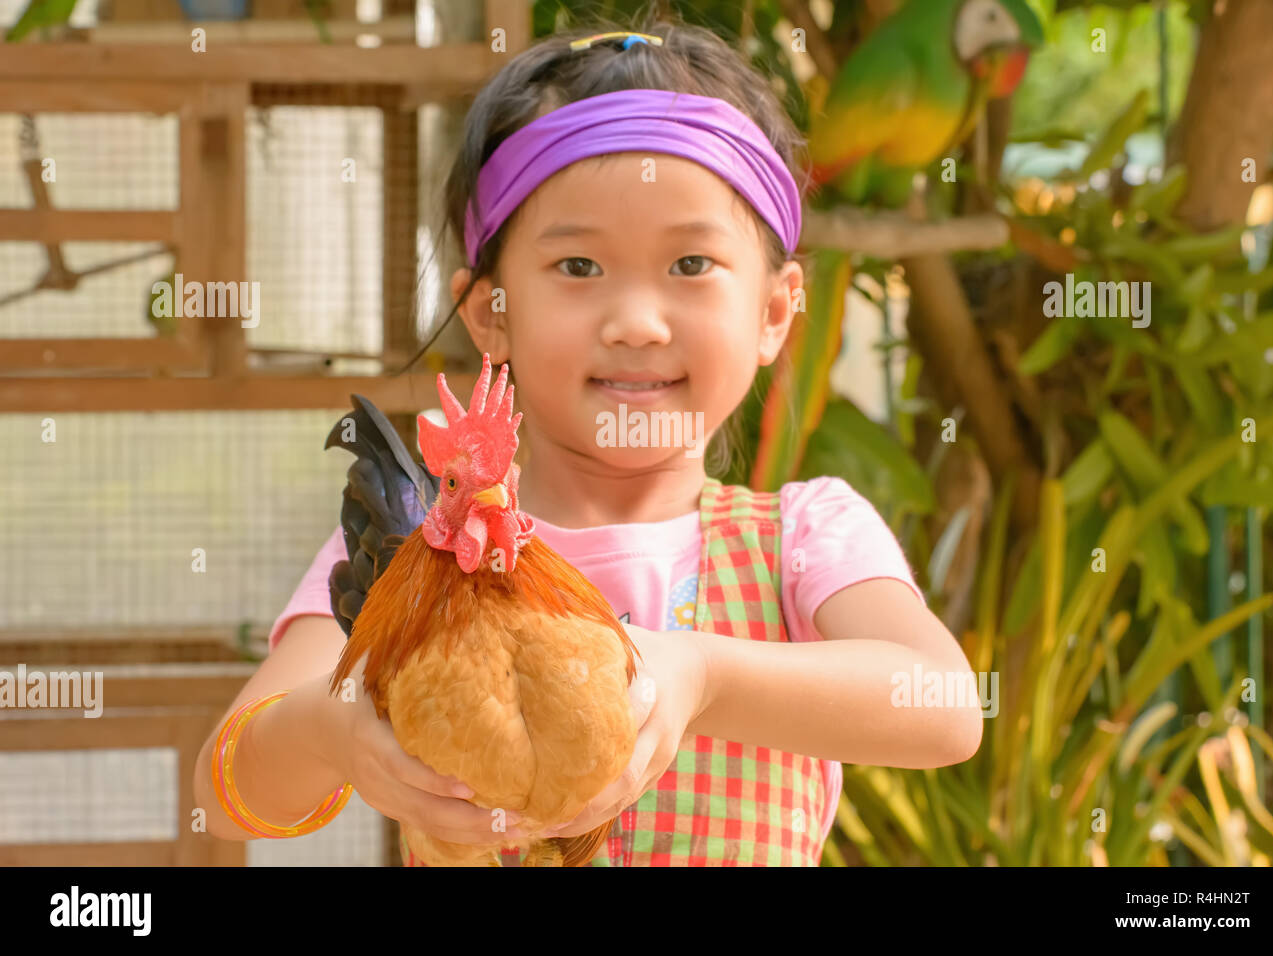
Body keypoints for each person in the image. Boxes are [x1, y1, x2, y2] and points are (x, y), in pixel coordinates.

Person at [193, 19, 983, 867]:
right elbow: (223, 796)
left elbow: (943, 706)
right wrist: (331, 728)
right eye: (578, 268)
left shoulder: (802, 538)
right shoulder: (416, 547)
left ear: (773, 314)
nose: (637, 324)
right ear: (491, 312)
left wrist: (702, 675)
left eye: (690, 266)